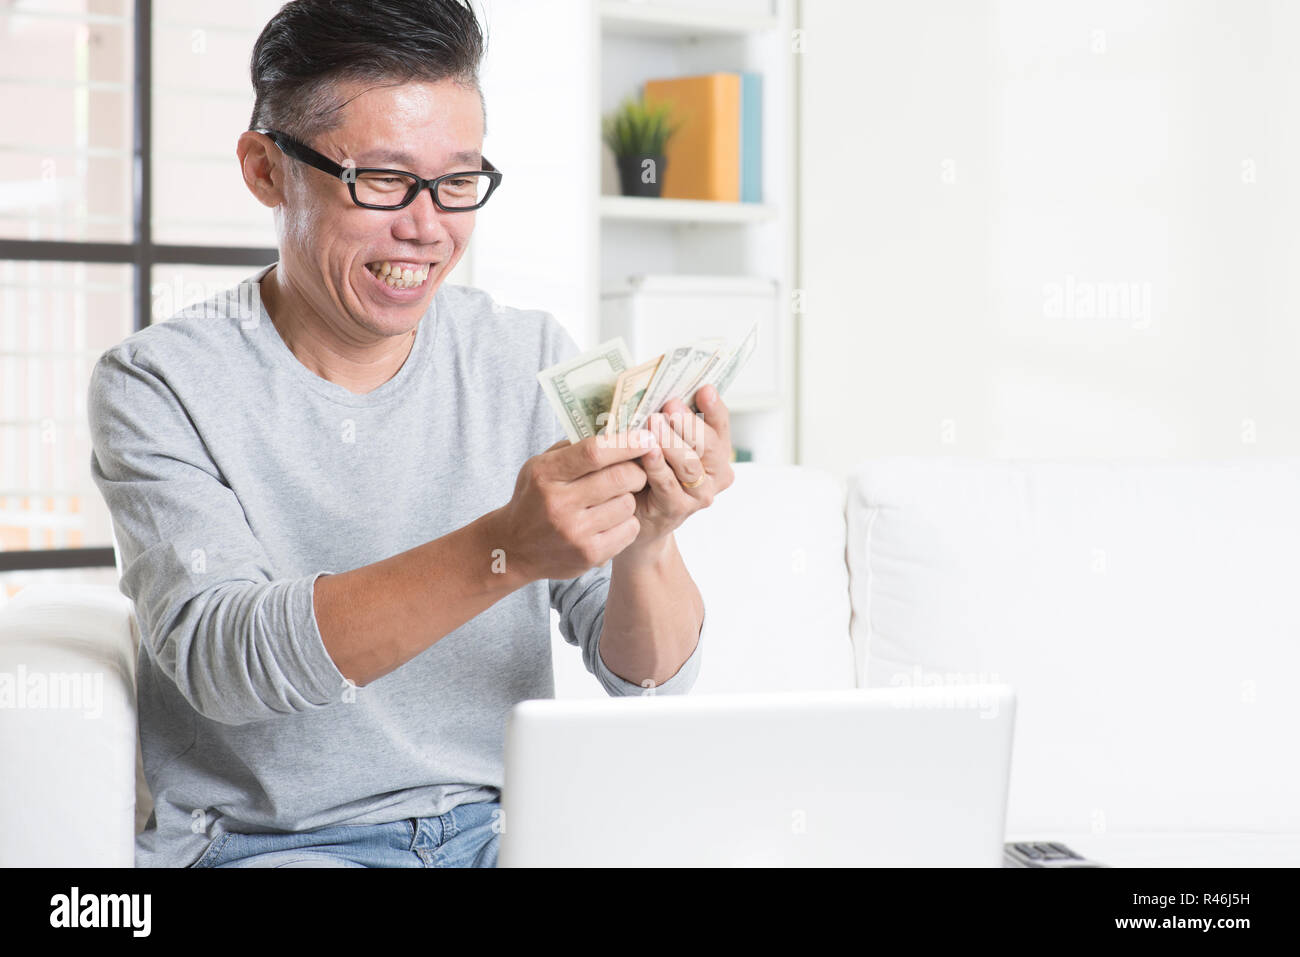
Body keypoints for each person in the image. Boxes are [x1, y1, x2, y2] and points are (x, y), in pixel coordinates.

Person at [87, 0, 733, 868]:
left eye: (458, 182)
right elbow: (222, 656)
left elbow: (645, 681)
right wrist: (503, 548)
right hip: (274, 845)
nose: (427, 228)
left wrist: (647, 544)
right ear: (266, 169)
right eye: (383, 181)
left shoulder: (527, 354)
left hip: (505, 831)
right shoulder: (160, 381)